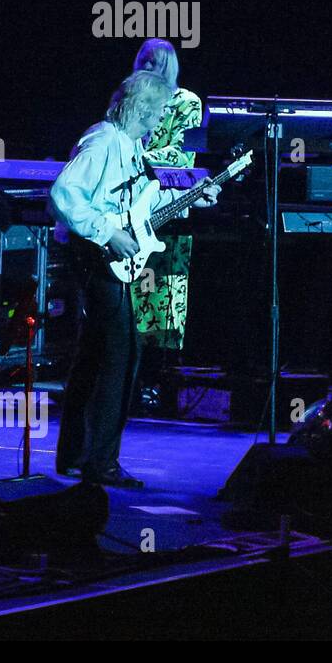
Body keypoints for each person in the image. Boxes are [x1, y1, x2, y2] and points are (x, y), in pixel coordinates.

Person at [49, 71, 218, 488]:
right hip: (95, 256)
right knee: (121, 357)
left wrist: (192, 196)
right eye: (158, 110)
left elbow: (142, 201)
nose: (161, 119)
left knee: (93, 355)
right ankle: (101, 463)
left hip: (103, 256)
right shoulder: (103, 141)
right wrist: (108, 234)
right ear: (142, 107)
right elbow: (64, 194)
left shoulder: (131, 146)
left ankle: (75, 454)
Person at [131, 39, 203, 409]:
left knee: (162, 297)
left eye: (155, 62)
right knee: (131, 297)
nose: (148, 66)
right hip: (129, 209)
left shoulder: (187, 102)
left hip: (167, 207)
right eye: (144, 60)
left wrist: (135, 155)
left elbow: (183, 153)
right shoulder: (132, 97)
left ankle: (158, 384)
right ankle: (131, 381)